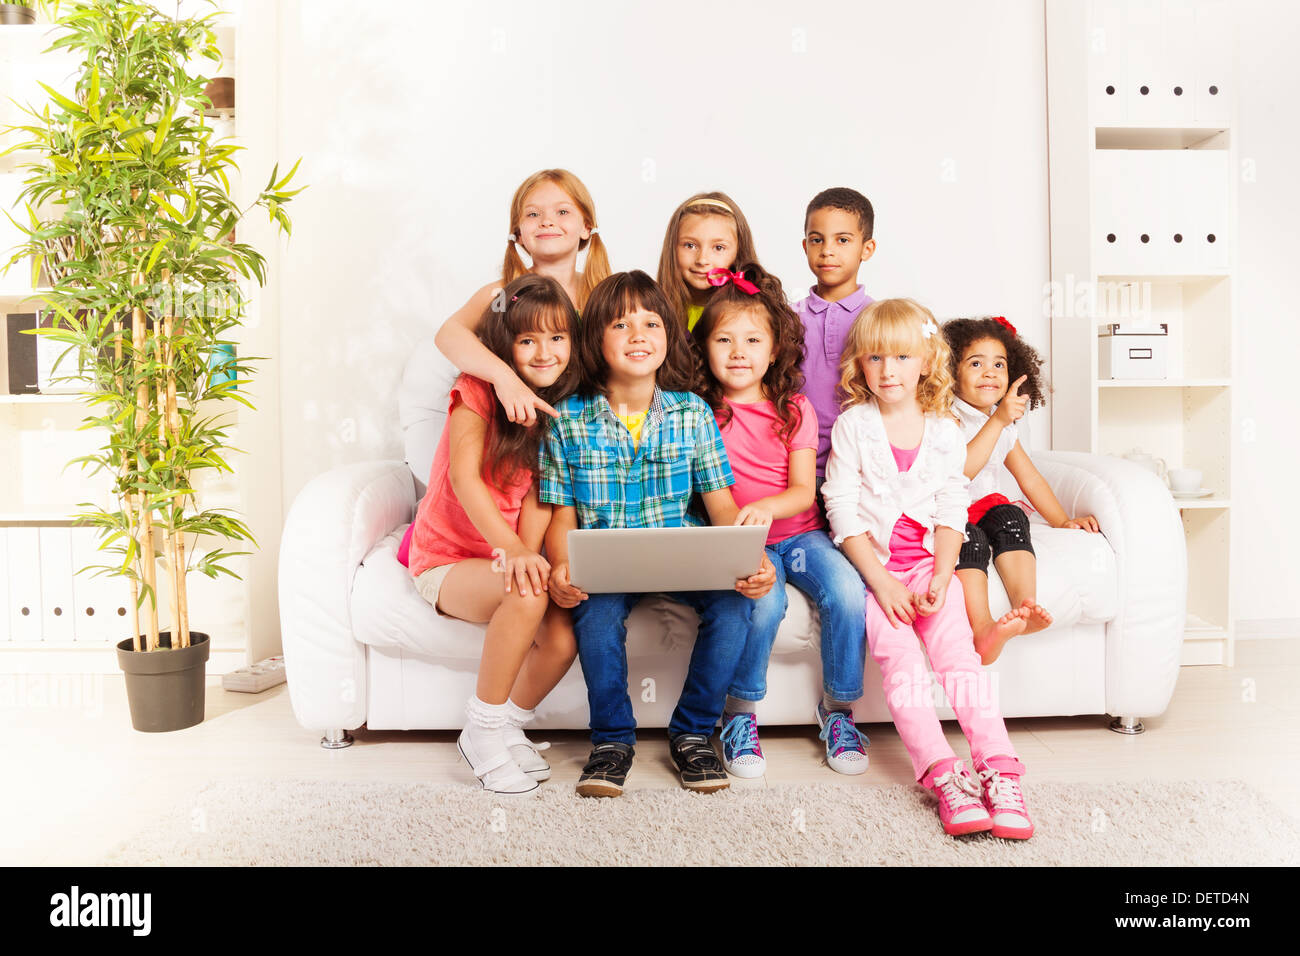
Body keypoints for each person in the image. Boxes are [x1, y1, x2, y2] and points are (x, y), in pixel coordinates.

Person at [538, 270, 775, 797]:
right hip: (606, 565)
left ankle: (692, 733)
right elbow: (561, 514)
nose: (638, 335)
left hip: (684, 557)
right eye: (621, 325)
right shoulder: (567, 420)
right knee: (595, 620)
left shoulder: (691, 412)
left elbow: (721, 505)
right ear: (596, 339)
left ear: (668, 334)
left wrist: (750, 560)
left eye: (650, 323)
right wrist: (560, 567)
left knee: (735, 608)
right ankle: (611, 742)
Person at [824, 298, 1034, 839]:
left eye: (900, 357)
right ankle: (944, 776)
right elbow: (841, 509)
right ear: (860, 365)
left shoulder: (942, 430)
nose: (887, 370)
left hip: (929, 571)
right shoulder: (853, 425)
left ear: (925, 361)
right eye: (874, 359)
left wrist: (943, 576)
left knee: (959, 660)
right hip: (879, 575)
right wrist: (883, 581)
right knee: (903, 667)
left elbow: (950, 505)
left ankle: (999, 771)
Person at [690, 263, 869, 778]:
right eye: (724, 339)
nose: (739, 352)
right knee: (761, 606)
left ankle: (838, 712)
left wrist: (768, 507)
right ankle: (739, 715)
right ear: (705, 348)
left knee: (847, 593)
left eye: (752, 340)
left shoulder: (794, 407)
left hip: (802, 533)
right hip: (745, 542)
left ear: (774, 350)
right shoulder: (700, 410)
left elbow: (800, 489)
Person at [409, 275, 580, 795]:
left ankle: (506, 724)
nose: (543, 352)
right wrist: (511, 553)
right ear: (506, 347)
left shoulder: (564, 405)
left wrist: (527, 552)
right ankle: (481, 733)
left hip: (503, 557)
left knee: (562, 639)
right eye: (527, 340)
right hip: (447, 562)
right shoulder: (477, 389)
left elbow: (538, 499)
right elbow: (463, 478)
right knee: (525, 593)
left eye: (556, 338)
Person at [943, 315, 1101, 664]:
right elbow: (959, 471)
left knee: (1011, 515)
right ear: (951, 372)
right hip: (947, 511)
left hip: (983, 506)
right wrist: (999, 420)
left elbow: (1029, 478)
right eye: (975, 363)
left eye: (998, 364)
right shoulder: (946, 417)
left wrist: (1061, 521)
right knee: (971, 539)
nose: (989, 372)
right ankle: (983, 628)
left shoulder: (1003, 425)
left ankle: (1024, 605)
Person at [434, 169, 611, 425]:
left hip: (587, 432)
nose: (547, 221)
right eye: (533, 214)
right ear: (518, 233)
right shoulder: (503, 294)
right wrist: (504, 378)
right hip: (521, 427)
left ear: (586, 227)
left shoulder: (603, 292)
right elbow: (448, 334)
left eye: (562, 212)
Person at [796, 187, 878, 485]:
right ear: (805, 246)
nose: (827, 250)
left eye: (842, 240)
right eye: (817, 240)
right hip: (799, 466)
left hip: (864, 468)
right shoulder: (789, 318)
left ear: (866, 249)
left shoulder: (880, 320)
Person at [655, 191, 762, 332]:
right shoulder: (653, 310)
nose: (702, 260)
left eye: (718, 248)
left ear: (738, 251)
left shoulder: (756, 312)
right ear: (673, 247)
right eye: (690, 245)